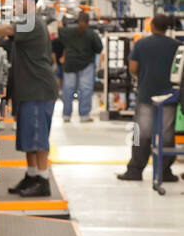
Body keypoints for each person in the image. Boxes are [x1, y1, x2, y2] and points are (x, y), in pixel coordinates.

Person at [0, 0, 60, 197]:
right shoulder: (28, 23)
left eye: (19, 2)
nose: (15, 6)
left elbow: (8, 29)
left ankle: (43, 180)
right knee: (28, 137)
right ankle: (32, 175)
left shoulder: (33, 22)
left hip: (37, 89)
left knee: (38, 138)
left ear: (30, 3)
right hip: (28, 89)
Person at [118, 13, 180, 182]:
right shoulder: (177, 46)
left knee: (141, 134)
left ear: (152, 26)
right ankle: (164, 172)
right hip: (169, 97)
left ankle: (135, 171)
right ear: (167, 28)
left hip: (146, 95)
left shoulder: (141, 44)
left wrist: (143, 77)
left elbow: (133, 67)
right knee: (166, 136)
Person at [57, 11, 103, 122]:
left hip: (70, 64)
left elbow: (60, 31)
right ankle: (84, 115)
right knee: (85, 89)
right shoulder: (92, 34)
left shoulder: (69, 32)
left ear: (77, 21)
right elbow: (99, 48)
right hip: (86, 65)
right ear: (88, 22)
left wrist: (60, 19)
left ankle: (66, 115)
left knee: (68, 89)